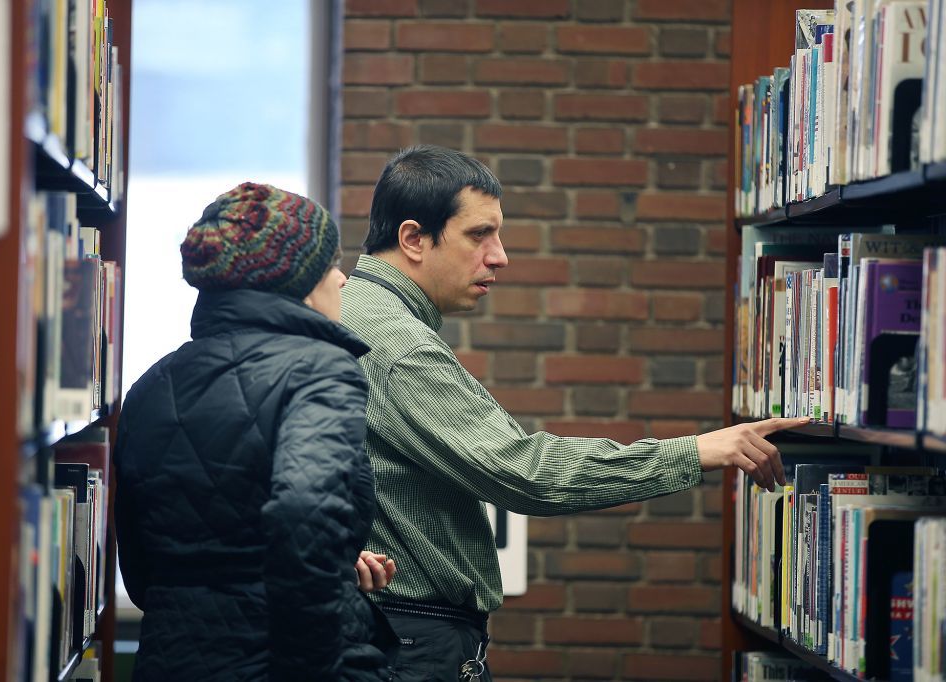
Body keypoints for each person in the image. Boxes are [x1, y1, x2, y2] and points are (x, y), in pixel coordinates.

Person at [339, 145, 810, 681]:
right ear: (413, 239)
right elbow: (527, 473)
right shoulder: (399, 347)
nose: (499, 256)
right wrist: (698, 450)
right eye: (479, 235)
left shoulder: (353, 310)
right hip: (413, 639)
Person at [114, 182, 398, 681]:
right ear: (301, 281)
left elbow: (143, 568)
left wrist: (328, 558)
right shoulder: (320, 370)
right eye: (331, 264)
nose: (344, 279)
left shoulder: (150, 386)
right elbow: (301, 513)